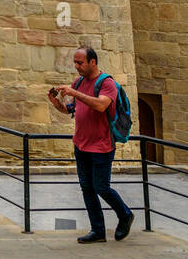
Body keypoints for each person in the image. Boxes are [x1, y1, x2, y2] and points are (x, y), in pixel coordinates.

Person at [48, 46, 134, 243]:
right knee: (87, 188)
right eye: (75, 62)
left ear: (93, 62)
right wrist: (56, 103)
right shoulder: (78, 83)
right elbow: (71, 109)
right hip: (81, 144)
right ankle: (98, 231)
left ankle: (125, 215)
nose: (76, 66)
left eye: (80, 63)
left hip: (101, 145)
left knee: (102, 187)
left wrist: (74, 93)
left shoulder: (107, 83)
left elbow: (100, 105)